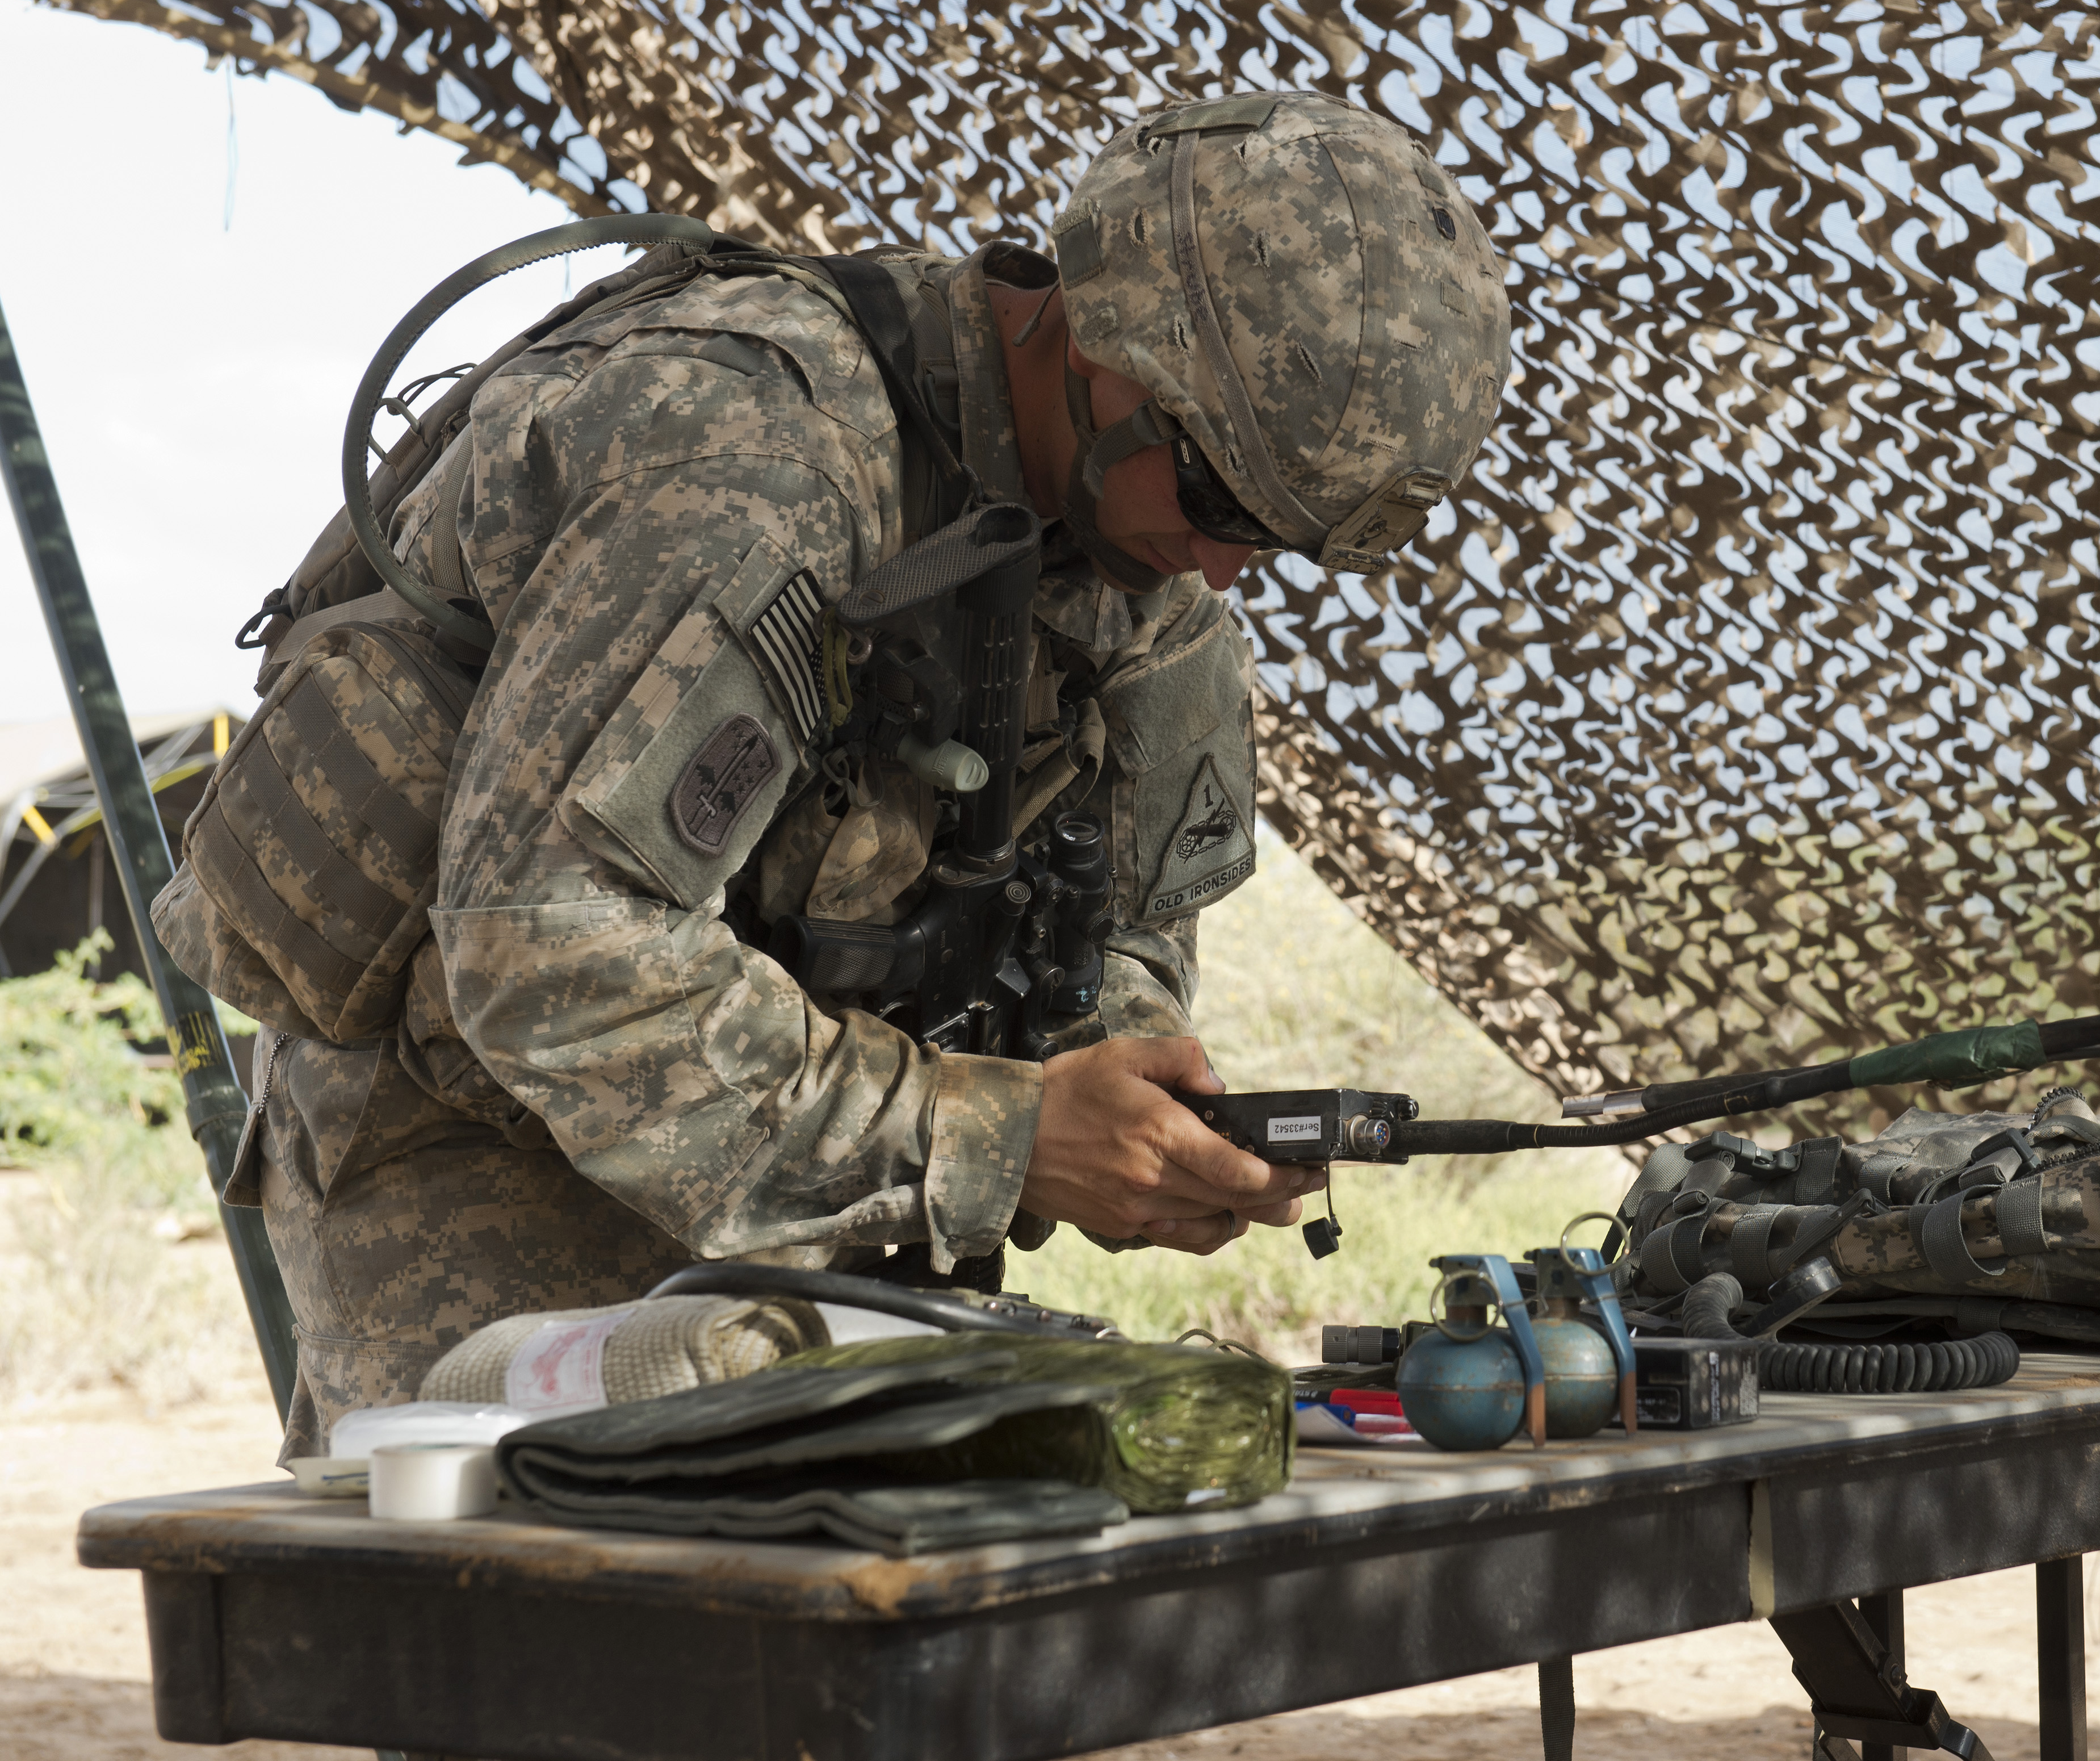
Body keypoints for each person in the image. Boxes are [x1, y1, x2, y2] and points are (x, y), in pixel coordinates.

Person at [211, 91, 1512, 1458]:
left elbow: (1124, 926)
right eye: (1227, 502)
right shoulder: (750, 463)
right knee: (535, 1618)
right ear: (1106, 341)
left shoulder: (1145, 572)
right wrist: (994, 1139)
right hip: (490, 1144)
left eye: (1279, 536)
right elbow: (550, 955)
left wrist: (1121, 1104)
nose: (1232, 563)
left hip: (820, 1166)